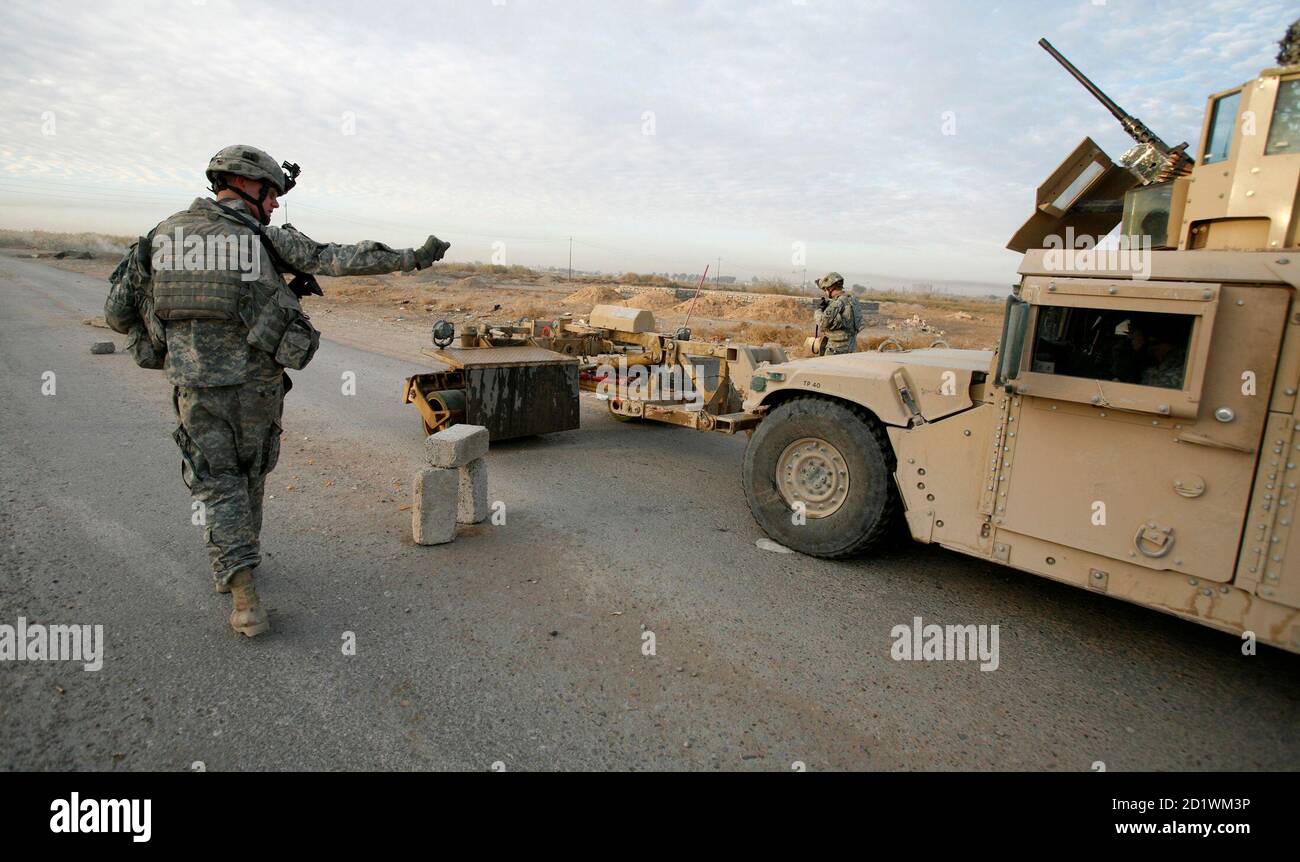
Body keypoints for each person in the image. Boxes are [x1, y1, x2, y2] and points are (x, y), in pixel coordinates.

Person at [105, 145, 450, 637]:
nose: (274, 207)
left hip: (193, 385)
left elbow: (117, 314)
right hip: (257, 384)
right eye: (272, 196)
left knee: (214, 477)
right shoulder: (261, 239)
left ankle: (237, 578)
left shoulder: (159, 238)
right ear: (250, 186)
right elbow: (338, 258)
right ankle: (243, 579)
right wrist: (413, 257)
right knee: (251, 470)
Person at [815, 272, 861, 355]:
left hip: (836, 350)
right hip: (851, 348)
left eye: (825, 289)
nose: (825, 292)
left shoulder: (838, 303)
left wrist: (818, 310)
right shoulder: (853, 300)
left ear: (830, 289)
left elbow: (822, 323)